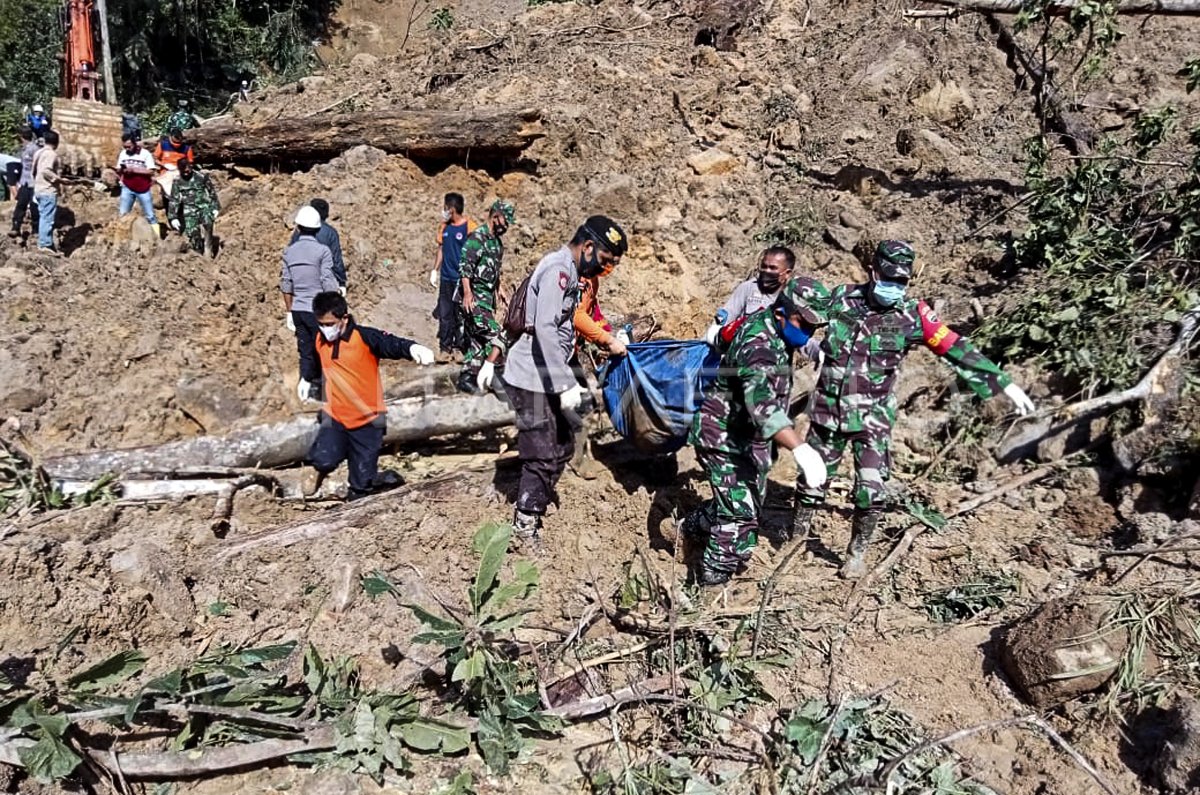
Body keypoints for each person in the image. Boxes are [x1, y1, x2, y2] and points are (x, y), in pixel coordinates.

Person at [792, 240, 1036, 578]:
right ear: (873, 272)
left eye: (902, 283)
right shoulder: (840, 298)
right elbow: (792, 314)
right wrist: (799, 342)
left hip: (872, 419)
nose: (895, 288)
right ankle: (796, 539)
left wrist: (1000, 382)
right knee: (811, 480)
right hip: (828, 413)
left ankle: (856, 554)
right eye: (889, 279)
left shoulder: (912, 316)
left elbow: (954, 346)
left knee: (870, 490)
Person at [684, 280, 829, 586]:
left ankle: (690, 528)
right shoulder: (758, 345)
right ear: (782, 312)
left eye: (814, 327)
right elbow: (762, 406)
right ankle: (708, 587)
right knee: (740, 514)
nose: (807, 332)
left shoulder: (777, 328)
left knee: (744, 501)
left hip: (746, 437)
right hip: (720, 435)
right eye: (802, 323)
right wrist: (800, 449)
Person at [501, 215, 628, 544]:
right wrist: (564, 384)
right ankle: (524, 529)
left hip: (544, 372)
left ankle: (533, 493)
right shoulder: (558, 269)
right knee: (544, 452)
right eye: (603, 261)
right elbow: (544, 328)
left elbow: (571, 325)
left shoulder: (572, 272)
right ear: (587, 247)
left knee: (559, 444)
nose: (604, 270)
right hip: (531, 376)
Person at [301, 291, 435, 501]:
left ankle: (356, 511)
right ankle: (317, 471)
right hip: (334, 415)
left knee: (361, 483)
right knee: (324, 458)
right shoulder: (319, 339)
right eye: (321, 324)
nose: (325, 329)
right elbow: (310, 356)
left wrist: (412, 348)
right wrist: (306, 378)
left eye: (330, 324)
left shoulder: (363, 337)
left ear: (344, 318)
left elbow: (390, 343)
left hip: (368, 419)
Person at [282, 205, 340, 402]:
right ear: (317, 229)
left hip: (298, 309)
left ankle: (306, 391)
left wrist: (289, 311)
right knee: (325, 351)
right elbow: (327, 280)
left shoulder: (289, 252)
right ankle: (324, 395)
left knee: (305, 351)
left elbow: (286, 284)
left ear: (298, 227)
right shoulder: (322, 251)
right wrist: (336, 301)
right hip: (318, 311)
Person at [456, 199, 515, 394]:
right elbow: (465, 268)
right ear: (496, 216)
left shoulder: (497, 244)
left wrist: (500, 290)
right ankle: (500, 375)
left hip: (487, 299)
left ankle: (468, 377)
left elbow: (494, 271)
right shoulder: (477, 238)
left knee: (477, 339)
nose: (506, 226)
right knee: (495, 334)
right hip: (474, 299)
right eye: (505, 221)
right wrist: (467, 294)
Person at [704, 246, 794, 343]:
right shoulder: (748, 288)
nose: (767, 271)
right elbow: (724, 319)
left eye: (773, 268)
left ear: (787, 273)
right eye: (764, 266)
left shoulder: (793, 298)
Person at [429, 192, 477, 362]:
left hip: (462, 279)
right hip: (446, 278)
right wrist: (435, 270)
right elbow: (441, 249)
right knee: (446, 314)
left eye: (445, 207)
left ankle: (460, 348)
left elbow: (474, 252)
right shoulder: (444, 227)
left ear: (452, 208)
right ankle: (445, 348)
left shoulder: (469, 227)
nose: (443, 211)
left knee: (461, 315)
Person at [289, 198, 346, 289]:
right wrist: (341, 282)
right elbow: (336, 260)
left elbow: (291, 253)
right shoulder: (331, 233)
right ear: (326, 214)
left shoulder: (299, 231)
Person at [169, 159, 219, 256]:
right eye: (184, 171)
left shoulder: (202, 177)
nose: (186, 173)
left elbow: (212, 192)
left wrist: (215, 207)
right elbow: (174, 199)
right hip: (189, 210)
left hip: (204, 206)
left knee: (208, 223)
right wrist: (173, 217)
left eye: (188, 170)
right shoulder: (177, 181)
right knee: (193, 233)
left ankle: (208, 249)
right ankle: (198, 253)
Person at [117, 133, 159, 233]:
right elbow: (119, 167)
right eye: (125, 147)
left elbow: (151, 171)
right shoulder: (123, 153)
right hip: (127, 187)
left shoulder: (145, 154)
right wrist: (121, 172)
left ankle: (157, 237)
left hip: (143, 188)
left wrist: (134, 170)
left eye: (129, 146)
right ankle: (124, 237)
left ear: (135, 144)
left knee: (150, 215)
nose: (127, 149)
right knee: (123, 213)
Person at [30, 129, 61, 256]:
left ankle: (45, 243)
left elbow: (34, 171)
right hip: (48, 190)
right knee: (47, 218)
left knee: (44, 216)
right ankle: (45, 245)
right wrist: (58, 180)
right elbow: (46, 171)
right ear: (56, 142)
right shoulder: (51, 154)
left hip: (38, 189)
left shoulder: (38, 152)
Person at [8, 127, 40, 238]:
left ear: (21, 137)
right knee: (20, 205)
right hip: (25, 182)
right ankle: (16, 227)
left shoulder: (34, 149)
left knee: (34, 206)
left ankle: (36, 230)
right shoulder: (24, 149)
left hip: (34, 183)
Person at [153, 128, 194, 212]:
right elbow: (154, 158)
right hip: (165, 174)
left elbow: (190, 162)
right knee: (167, 196)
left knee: (181, 195)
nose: (177, 145)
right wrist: (164, 165)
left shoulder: (186, 148)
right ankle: (170, 215)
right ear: (170, 137)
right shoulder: (163, 145)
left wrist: (183, 168)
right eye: (175, 142)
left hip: (179, 174)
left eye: (179, 142)